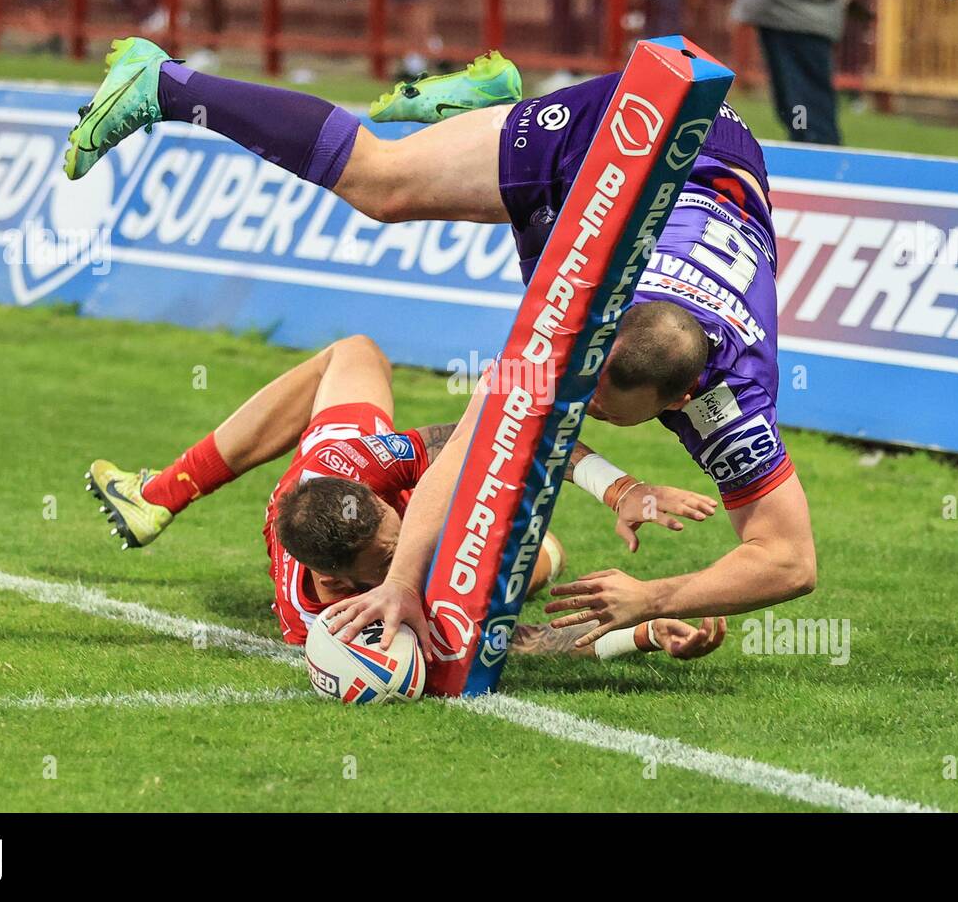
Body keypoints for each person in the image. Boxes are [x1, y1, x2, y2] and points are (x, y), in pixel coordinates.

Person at [64, 34, 816, 656]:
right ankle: (160, 82)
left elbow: (791, 560)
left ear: (681, 400)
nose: (572, 401)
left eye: (592, 399)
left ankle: (500, 115)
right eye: (579, 384)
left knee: (527, 248)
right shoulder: (584, 321)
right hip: (628, 135)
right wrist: (402, 581)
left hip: (682, 177)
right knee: (384, 185)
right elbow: (479, 430)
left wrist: (654, 598)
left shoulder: (735, 409)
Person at [85, 335, 725, 661]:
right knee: (539, 560)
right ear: (341, 580)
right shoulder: (335, 628)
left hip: (323, 472)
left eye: (396, 516)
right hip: (337, 538)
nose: (410, 520)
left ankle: (160, 494)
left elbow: (498, 426)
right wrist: (635, 636)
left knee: (356, 350)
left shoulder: (356, 465)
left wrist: (618, 488)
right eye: (391, 547)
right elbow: (512, 641)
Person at [732, 0, 867, 145]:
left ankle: (819, 165)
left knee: (808, 118)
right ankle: (807, 153)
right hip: (778, 10)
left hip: (801, 12)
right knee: (795, 114)